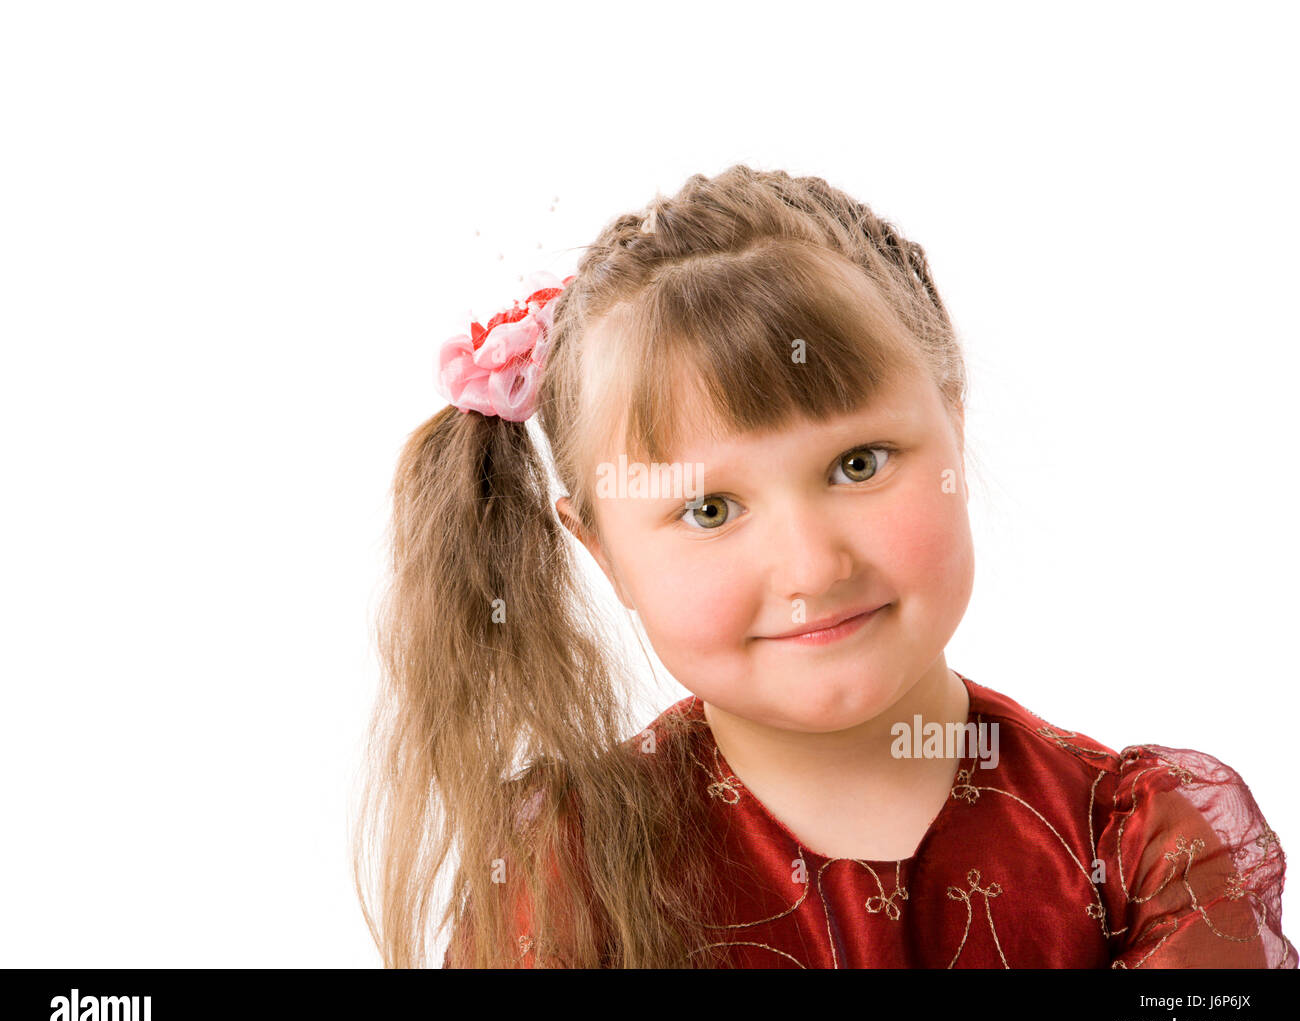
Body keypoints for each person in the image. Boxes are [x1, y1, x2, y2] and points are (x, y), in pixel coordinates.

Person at [352, 165, 1295, 969]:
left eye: (859, 463)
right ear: (602, 550)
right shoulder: (565, 878)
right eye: (709, 508)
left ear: (953, 427)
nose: (812, 564)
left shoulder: (1143, 846)